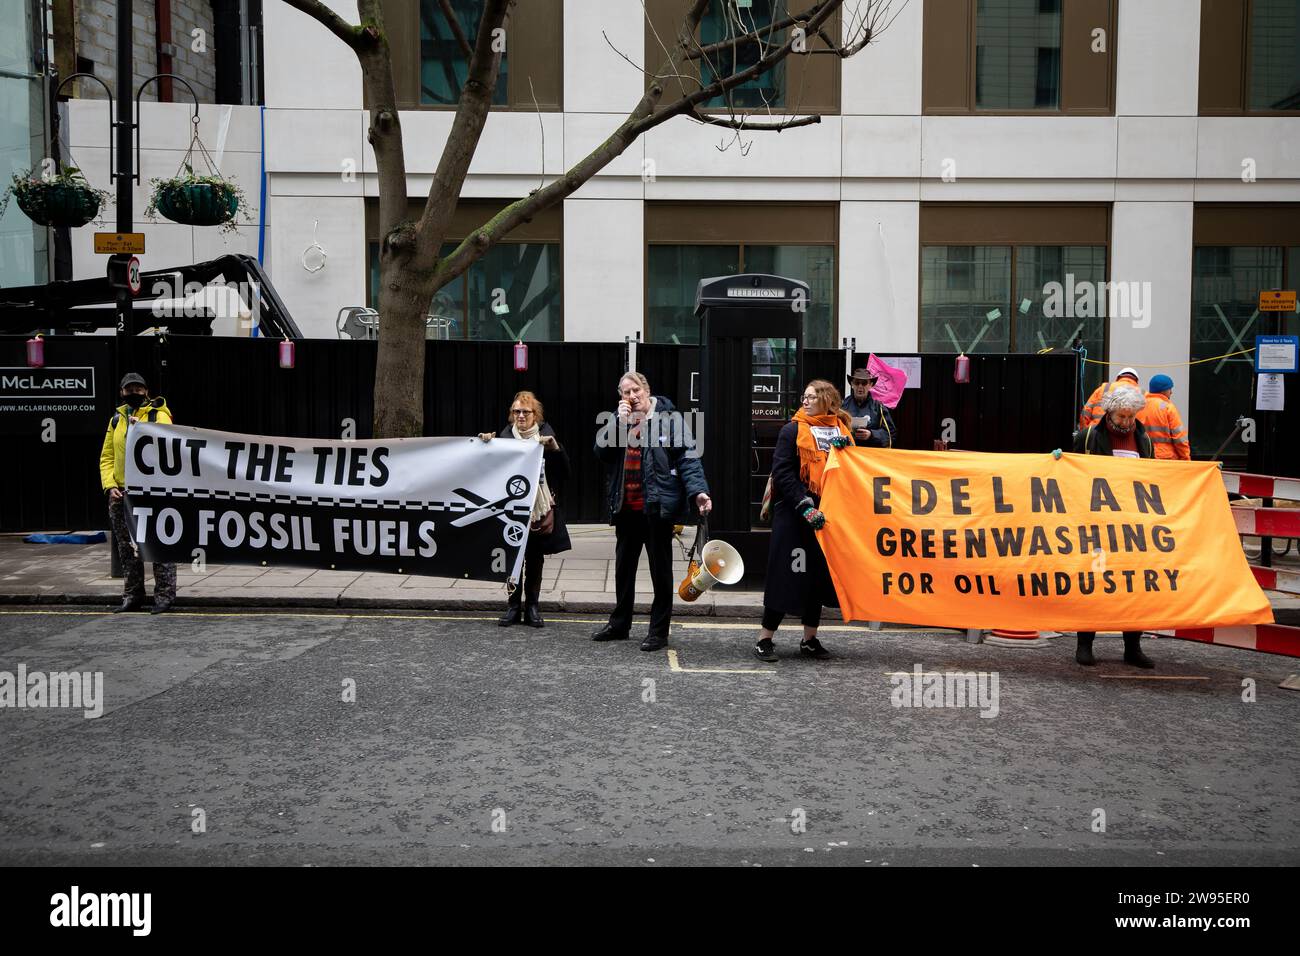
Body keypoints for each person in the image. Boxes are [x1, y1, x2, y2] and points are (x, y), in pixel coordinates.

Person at [591, 371, 712, 651]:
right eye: (625, 393)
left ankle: (658, 631)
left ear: (646, 390)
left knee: (660, 571)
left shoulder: (670, 420)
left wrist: (699, 491)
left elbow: (688, 457)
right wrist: (619, 425)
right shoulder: (617, 419)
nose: (631, 397)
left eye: (635, 391)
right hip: (627, 508)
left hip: (657, 508)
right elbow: (601, 452)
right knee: (624, 569)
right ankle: (620, 624)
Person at [754, 379, 853, 663]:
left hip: (828, 514)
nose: (805, 401)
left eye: (811, 397)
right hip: (795, 512)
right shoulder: (792, 430)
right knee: (783, 574)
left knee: (818, 577)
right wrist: (804, 505)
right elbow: (782, 473)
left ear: (827, 400)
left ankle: (809, 640)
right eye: (804, 397)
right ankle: (765, 639)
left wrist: (847, 453)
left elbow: (849, 472)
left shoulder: (840, 430)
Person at [1071, 385, 1155, 668]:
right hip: (1097, 526)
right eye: (1122, 417)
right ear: (1109, 413)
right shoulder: (1088, 438)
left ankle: (1133, 646)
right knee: (1094, 585)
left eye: (1131, 417)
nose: (1127, 422)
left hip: (1133, 527)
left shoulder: (1145, 440)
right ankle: (1085, 645)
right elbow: (1069, 473)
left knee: (1134, 588)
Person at [477, 391, 571, 629]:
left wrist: (555, 449)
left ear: (535, 415)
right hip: (511, 509)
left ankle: (532, 606)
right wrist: (485, 446)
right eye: (516, 411)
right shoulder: (504, 438)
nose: (520, 416)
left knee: (535, 559)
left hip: (538, 510)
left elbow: (564, 473)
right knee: (513, 560)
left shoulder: (546, 437)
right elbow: (489, 470)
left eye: (525, 412)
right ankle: (512, 606)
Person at [99, 372, 177, 614]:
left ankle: (164, 597)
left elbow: (169, 447)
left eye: (138, 389)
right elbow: (107, 457)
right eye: (129, 389)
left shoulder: (158, 415)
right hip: (121, 494)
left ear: (146, 391)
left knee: (159, 545)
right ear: (122, 392)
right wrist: (110, 486)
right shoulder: (116, 419)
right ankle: (132, 596)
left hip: (152, 492)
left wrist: (143, 429)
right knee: (126, 549)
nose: (134, 393)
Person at [1138, 374, 1190, 461]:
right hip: (1165, 458)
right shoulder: (1168, 407)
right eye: (1170, 389)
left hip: (1144, 455)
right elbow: (1179, 438)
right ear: (1163, 390)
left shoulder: (1140, 406)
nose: (1171, 392)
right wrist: (1186, 458)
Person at [843, 367, 896, 447]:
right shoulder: (842, 406)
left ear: (870, 385)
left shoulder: (879, 407)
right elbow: (834, 430)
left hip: (869, 455)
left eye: (864, 383)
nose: (860, 386)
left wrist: (871, 434)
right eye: (857, 383)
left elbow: (890, 434)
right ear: (852, 384)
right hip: (849, 455)